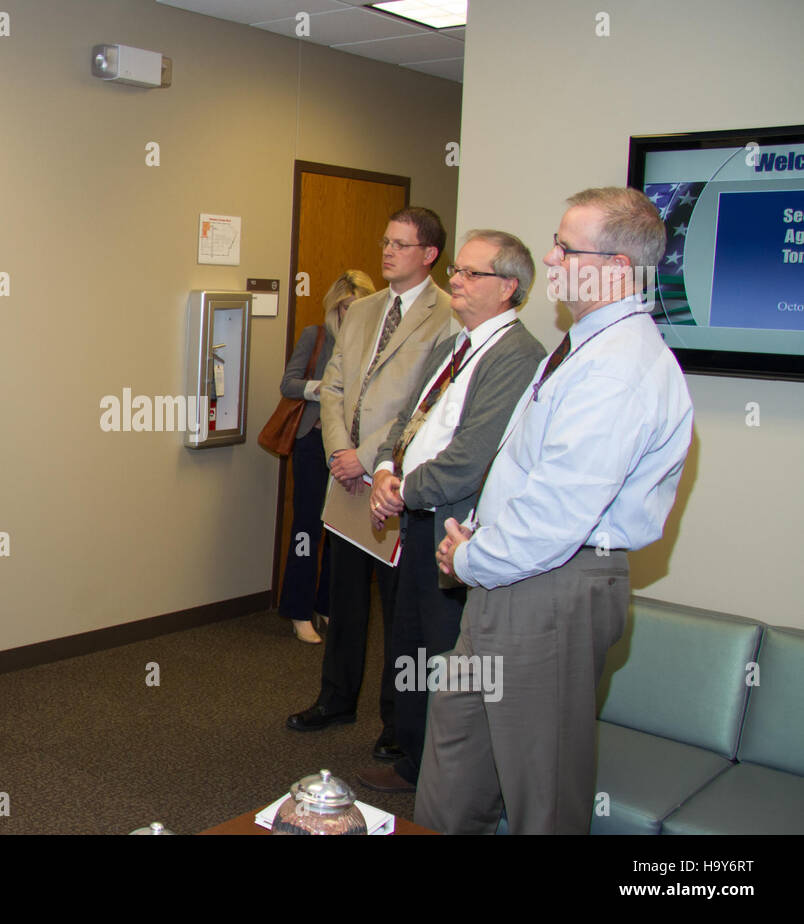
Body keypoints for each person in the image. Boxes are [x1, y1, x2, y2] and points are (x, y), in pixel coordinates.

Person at [420, 187, 694, 834]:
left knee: (541, 790)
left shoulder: (619, 369)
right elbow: (530, 471)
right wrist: (480, 543)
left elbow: (556, 514)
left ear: (617, 268)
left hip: (551, 588)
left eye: (567, 247)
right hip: (510, 576)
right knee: (457, 768)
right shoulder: (584, 345)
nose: (551, 257)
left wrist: (470, 555)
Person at [354, 230, 546, 795]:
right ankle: (412, 760)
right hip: (415, 514)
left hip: (452, 528)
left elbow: (471, 457)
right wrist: (387, 468)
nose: (455, 282)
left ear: (508, 287)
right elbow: (407, 422)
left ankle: (444, 775)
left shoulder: (517, 354)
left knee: (445, 651)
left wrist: (401, 491)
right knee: (409, 641)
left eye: (470, 273)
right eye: (456, 271)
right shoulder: (453, 343)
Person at [286, 207, 454, 763]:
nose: (387, 252)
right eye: (385, 241)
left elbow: (424, 406)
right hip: (347, 477)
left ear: (428, 254)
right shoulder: (360, 311)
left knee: (402, 613)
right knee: (345, 597)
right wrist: (338, 449)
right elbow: (332, 386)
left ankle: (397, 721)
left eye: (401, 244)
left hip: (392, 482)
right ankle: (335, 699)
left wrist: (366, 458)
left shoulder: (447, 316)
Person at [277, 270, 375, 644]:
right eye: (344, 306)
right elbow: (288, 383)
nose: (350, 313)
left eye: (358, 306)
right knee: (307, 528)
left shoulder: (375, 341)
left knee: (343, 531)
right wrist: (325, 390)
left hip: (355, 451)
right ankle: (298, 610)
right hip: (313, 446)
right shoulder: (316, 336)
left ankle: (329, 605)